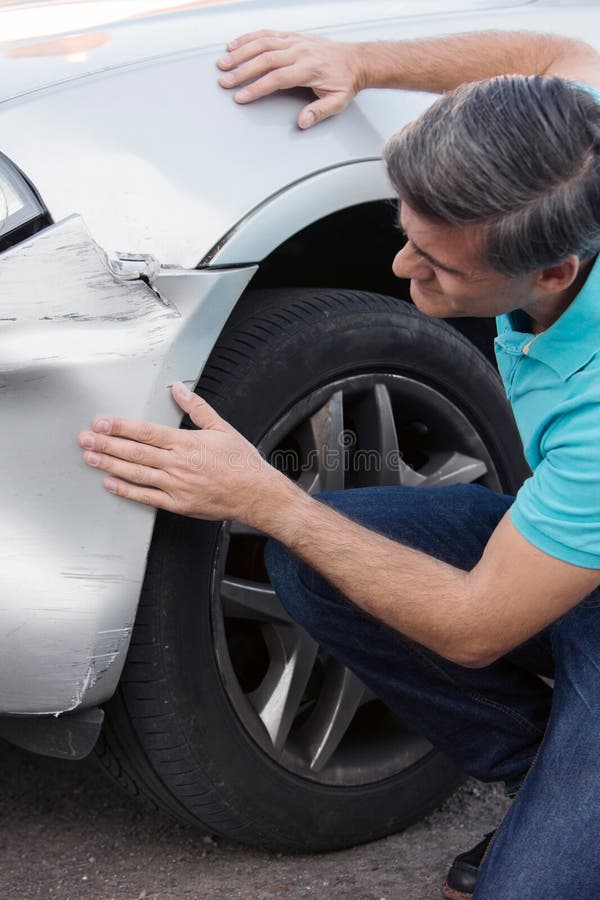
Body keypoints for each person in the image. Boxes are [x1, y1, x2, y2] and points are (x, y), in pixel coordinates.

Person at [78, 29, 600, 899]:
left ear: (555, 270)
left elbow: (477, 625)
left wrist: (266, 496)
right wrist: (366, 63)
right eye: (407, 236)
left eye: (436, 266)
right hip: (575, 555)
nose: (401, 270)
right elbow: (560, 52)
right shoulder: (580, 151)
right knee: (326, 563)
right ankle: (549, 771)